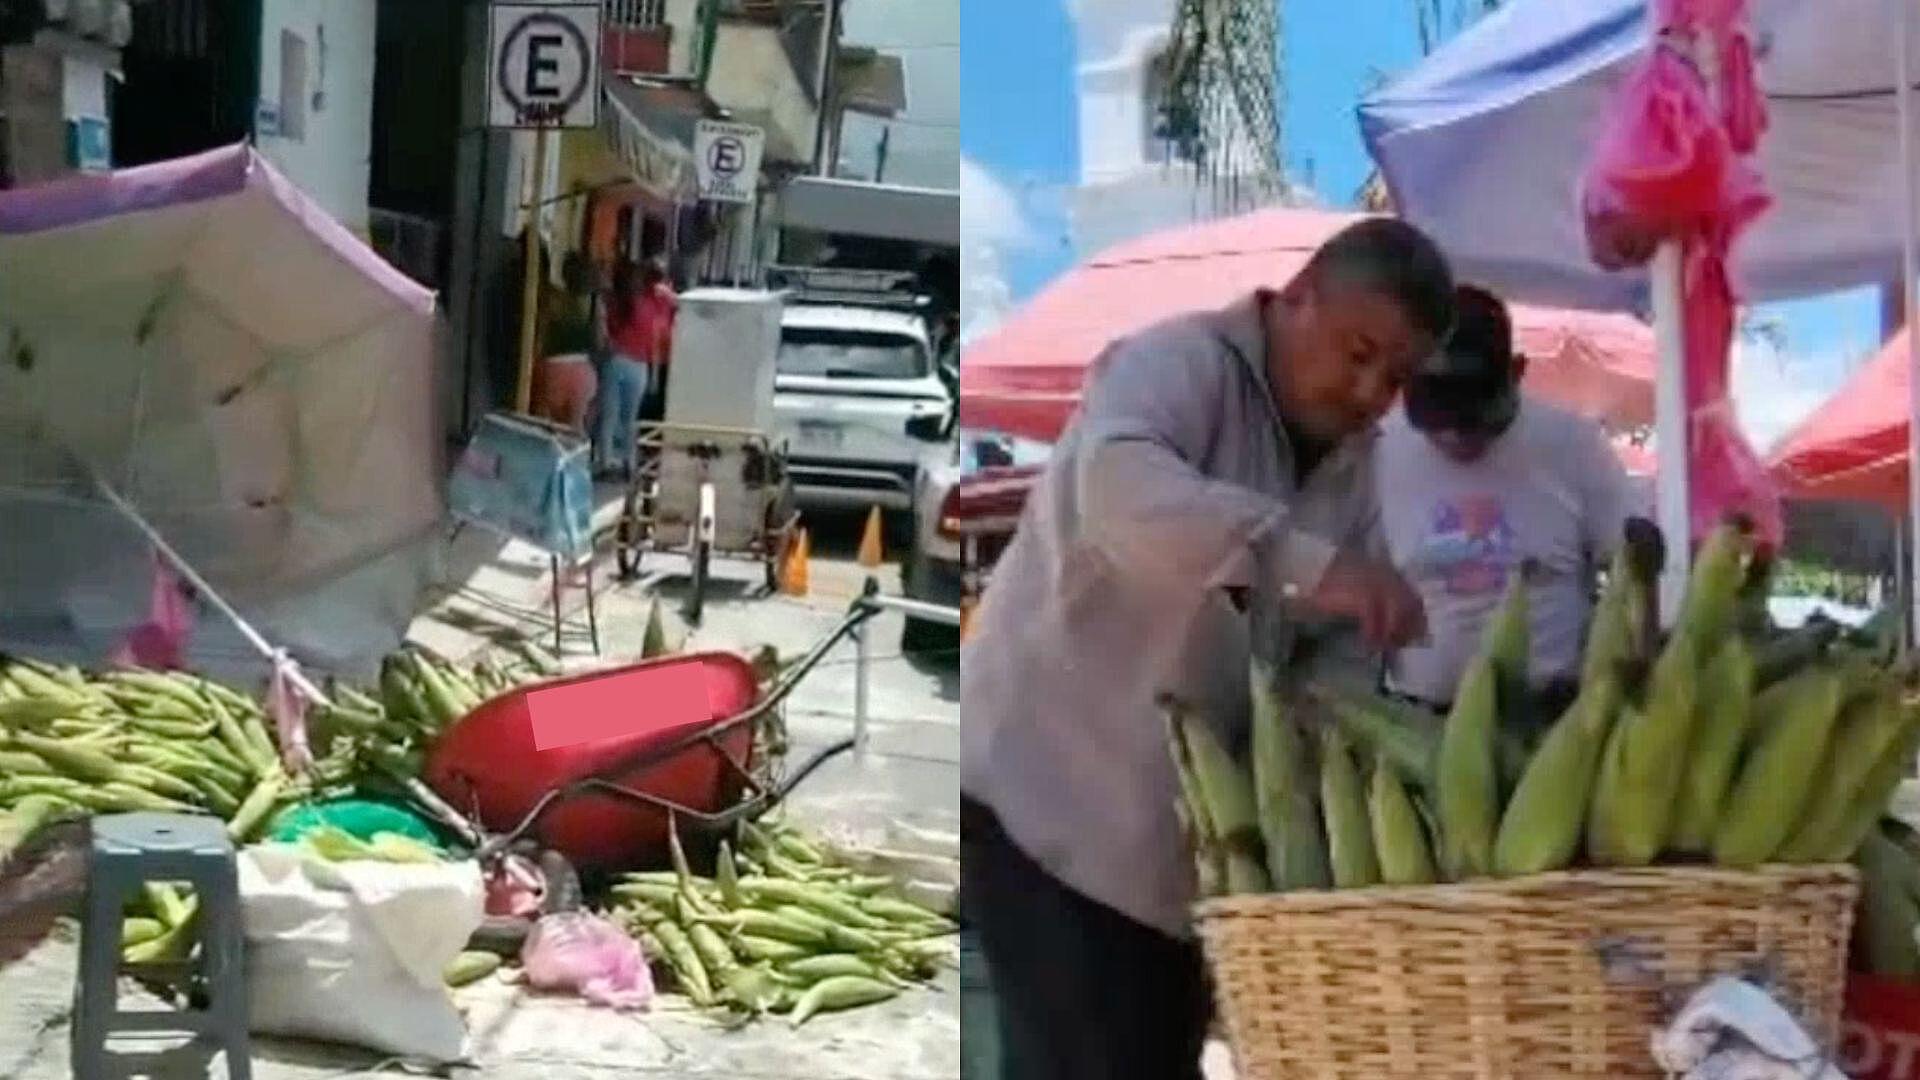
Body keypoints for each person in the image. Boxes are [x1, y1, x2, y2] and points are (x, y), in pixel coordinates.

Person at [960, 217, 1454, 1080]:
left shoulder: (1359, 469)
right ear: (1298, 298)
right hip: (1047, 808)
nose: (1373, 391)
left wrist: (1367, 736)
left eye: (1399, 376)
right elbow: (1120, 494)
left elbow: (1325, 660)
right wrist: (1309, 563)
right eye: (1359, 350)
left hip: (1183, 866)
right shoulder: (1179, 363)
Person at [1376, 284, 1639, 717]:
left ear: (1517, 372)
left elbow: (1630, 566)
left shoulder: (1574, 445)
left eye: (1475, 420)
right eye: (1438, 420)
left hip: (1552, 717)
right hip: (1420, 714)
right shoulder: (1377, 448)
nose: (1455, 436)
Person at [596, 258, 675, 477]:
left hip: (617, 360)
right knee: (631, 419)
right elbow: (661, 329)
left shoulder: (619, 302)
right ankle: (629, 463)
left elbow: (606, 333)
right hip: (640, 365)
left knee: (609, 415)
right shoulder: (653, 305)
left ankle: (605, 461)